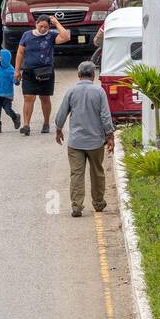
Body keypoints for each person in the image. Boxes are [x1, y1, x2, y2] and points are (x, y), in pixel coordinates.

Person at [54, 62, 116, 217]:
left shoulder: (71, 91)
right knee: (97, 172)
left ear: (78, 74)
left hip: (75, 143)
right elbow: (105, 116)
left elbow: (61, 114)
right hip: (95, 142)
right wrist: (110, 135)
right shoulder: (99, 92)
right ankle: (98, 203)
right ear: (93, 75)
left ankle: (76, 206)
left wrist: (58, 129)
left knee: (76, 174)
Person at [13, 14, 71, 135]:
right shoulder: (27, 35)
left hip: (46, 71)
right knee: (29, 97)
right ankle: (26, 125)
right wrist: (17, 70)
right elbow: (20, 52)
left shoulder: (51, 36)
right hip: (29, 71)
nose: (43, 29)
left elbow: (65, 37)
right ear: (36, 24)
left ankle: (46, 123)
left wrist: (56, 22)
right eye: (41, 26)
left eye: (46, 27)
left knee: (44, 98)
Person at [0, 49, 22, 133]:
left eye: (0, 58)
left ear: (5, 59)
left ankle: (15, 117)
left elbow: (15, 81)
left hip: (7, 95)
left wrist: (17, 80)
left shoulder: (10, 70)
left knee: (7, 110)